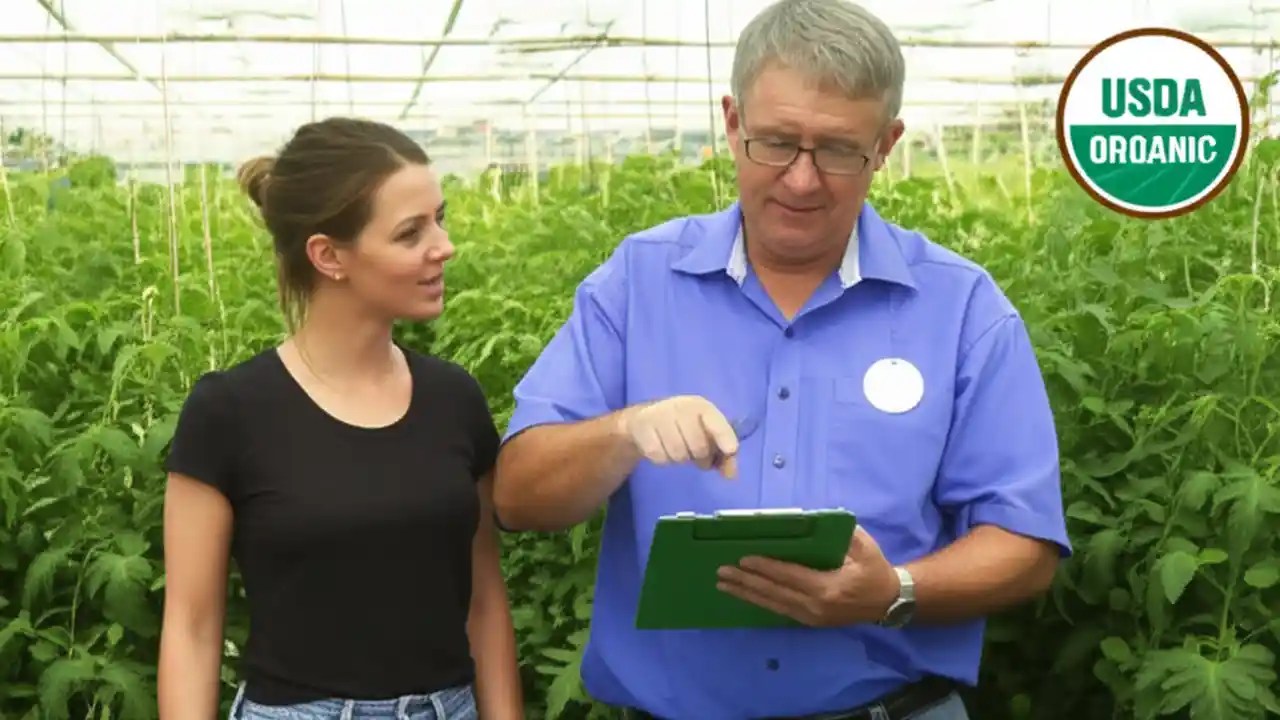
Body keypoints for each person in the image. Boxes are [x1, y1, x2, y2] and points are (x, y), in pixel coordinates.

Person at [491, 1, 1072, 718]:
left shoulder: (961, 308)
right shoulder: (638, 283)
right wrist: (624, 431)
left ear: (886, 144)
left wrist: (893, 592)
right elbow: (518, 496)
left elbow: (1024, 543)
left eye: (838, 150)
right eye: (776, 142)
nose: (801, 179)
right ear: (732, 122)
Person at [157, 117, 523, 720]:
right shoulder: (230, 411)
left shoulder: (454, 398)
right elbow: (192, 628)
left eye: (440, 218)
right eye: (410, 232)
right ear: (328, 256)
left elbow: (484, 601)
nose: (444, 245)